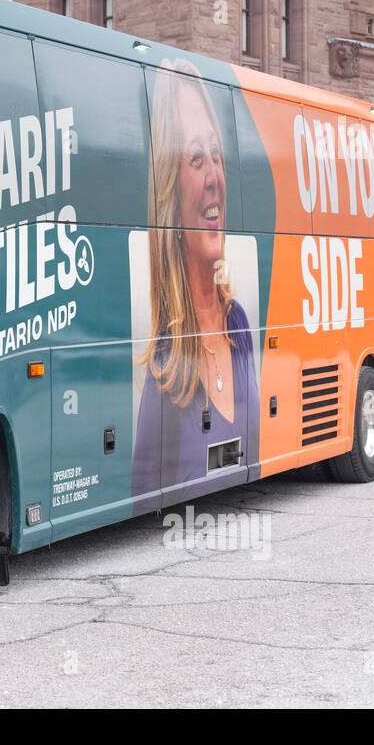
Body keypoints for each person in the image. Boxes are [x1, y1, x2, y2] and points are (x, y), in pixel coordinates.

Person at [132, 60, 259, 500]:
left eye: (217, 155)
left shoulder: (239, 324)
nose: (213, 179)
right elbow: (142, 500)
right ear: (169, 192)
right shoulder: (166, 367)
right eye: (195, 158)